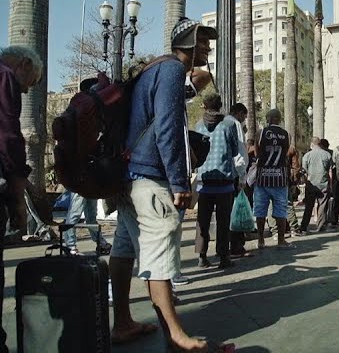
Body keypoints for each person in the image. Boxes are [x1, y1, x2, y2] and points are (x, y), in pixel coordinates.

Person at [108, 18, 215, 351]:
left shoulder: (153, 72)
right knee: (159, 257)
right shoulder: (170, 71)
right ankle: (174, 334)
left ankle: (123, 322)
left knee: (124, 249)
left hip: (130, 176)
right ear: (187, 45)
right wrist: (178, 181)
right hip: (151, 179)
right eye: (202, 43)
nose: (208, 48)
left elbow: (192, 88)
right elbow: (168, 128)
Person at [0, 45, 40, 353]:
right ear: (22, 64)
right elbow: (7, 138)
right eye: (25, 86)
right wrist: (19, 198)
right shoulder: (1, 75)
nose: (23, 92)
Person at [192, 92, 241, 269]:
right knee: (223, 220)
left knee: (202, 221)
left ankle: (202, 256)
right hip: (224, 181)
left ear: (204, 106)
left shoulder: (197, 125)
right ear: (220, 106)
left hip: (204, 181)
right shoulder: (228, 125)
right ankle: (223, 257)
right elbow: (235, 151)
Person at [253, 108, 295, 251]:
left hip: (262, 177)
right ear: (279, 119)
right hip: (280, 178)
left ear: (268, 119)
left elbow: (257, 154)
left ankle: (260, 240)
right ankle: (281, 240)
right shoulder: (287, 135)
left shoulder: (261, 133)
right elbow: (288, 152)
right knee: (280, 209)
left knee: (260, 210)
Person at [226, 103, 253, 259]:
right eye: (244, 115)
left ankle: (225, 246)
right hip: (236, 174)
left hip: (225, 173)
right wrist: (242, 176)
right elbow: (240, 153)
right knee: (237, 210)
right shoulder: (234, 124)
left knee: (227, 211)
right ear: (238, 113)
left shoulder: (222, 123)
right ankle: (237, 246)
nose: (244, 119)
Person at [299, 137, 333, 234]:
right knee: (322, 205)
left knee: (309, 206)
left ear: (312, 144)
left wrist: (306, 183)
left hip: (311, 183)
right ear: (320, 144)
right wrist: (330, 184)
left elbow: (304, 172)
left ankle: (304, 227)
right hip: (323, 183)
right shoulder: (327, 154)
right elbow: (330, 171)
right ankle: (321, 225)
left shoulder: (307, 156)